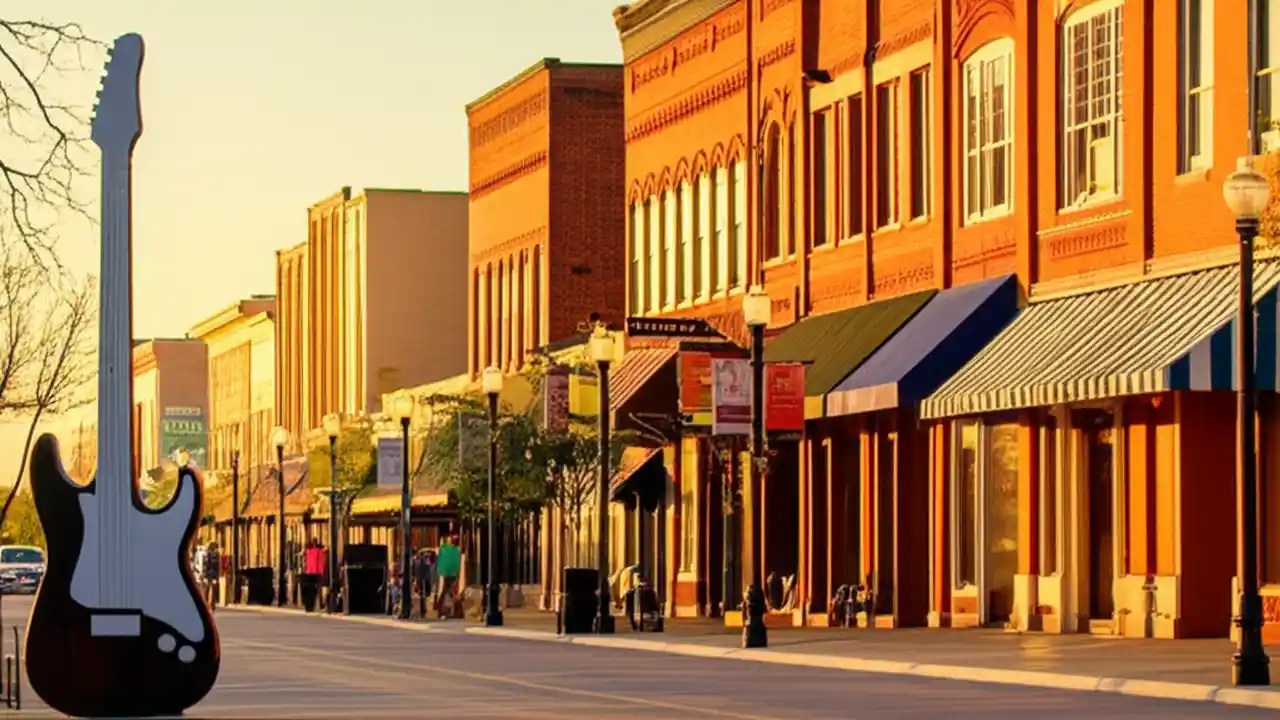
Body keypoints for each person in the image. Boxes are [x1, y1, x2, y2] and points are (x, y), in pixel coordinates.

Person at [435, 536, 461, 619]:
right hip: (447, 573)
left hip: (449, 573)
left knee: (449, 592)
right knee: (446, 592)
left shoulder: (453, 550)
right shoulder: (449, 549)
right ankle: (442, 611)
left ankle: (448, 611)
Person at [202, 542, 222, 611]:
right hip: (213, 574)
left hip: (208, 574)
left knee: (207, 590)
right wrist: (217, 576)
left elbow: (205, 565)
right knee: (212, 591)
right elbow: (217, 566)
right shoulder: (216, 554)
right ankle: (211, 605)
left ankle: (206, 605)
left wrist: (204, 575)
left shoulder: (207, 554)